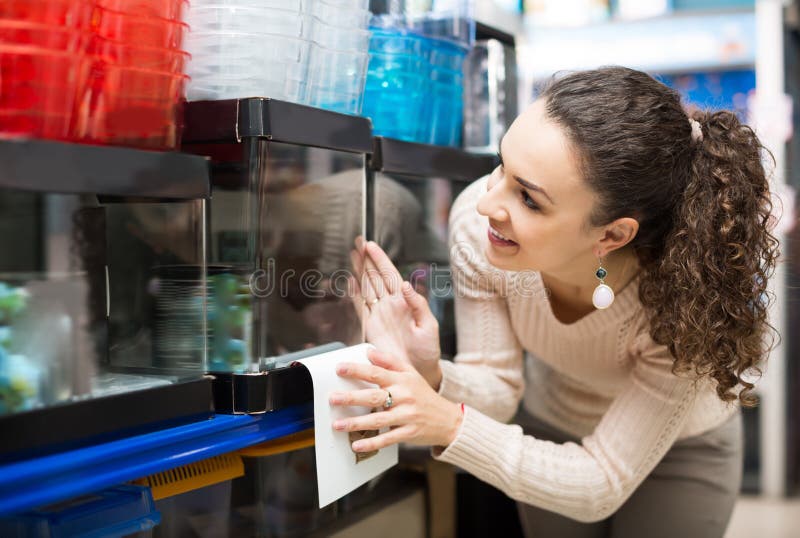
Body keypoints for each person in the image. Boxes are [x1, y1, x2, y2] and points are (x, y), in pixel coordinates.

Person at [329, 66, 780, 538]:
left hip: (684, 448)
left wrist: (449, 426)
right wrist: (432, 374)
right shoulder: (479, 230)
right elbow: (498, 389)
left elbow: (600, 481)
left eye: (529, 199)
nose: (486, 204)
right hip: (551, 420)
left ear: (612, 234)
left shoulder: (682, 304)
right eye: (502, 167)